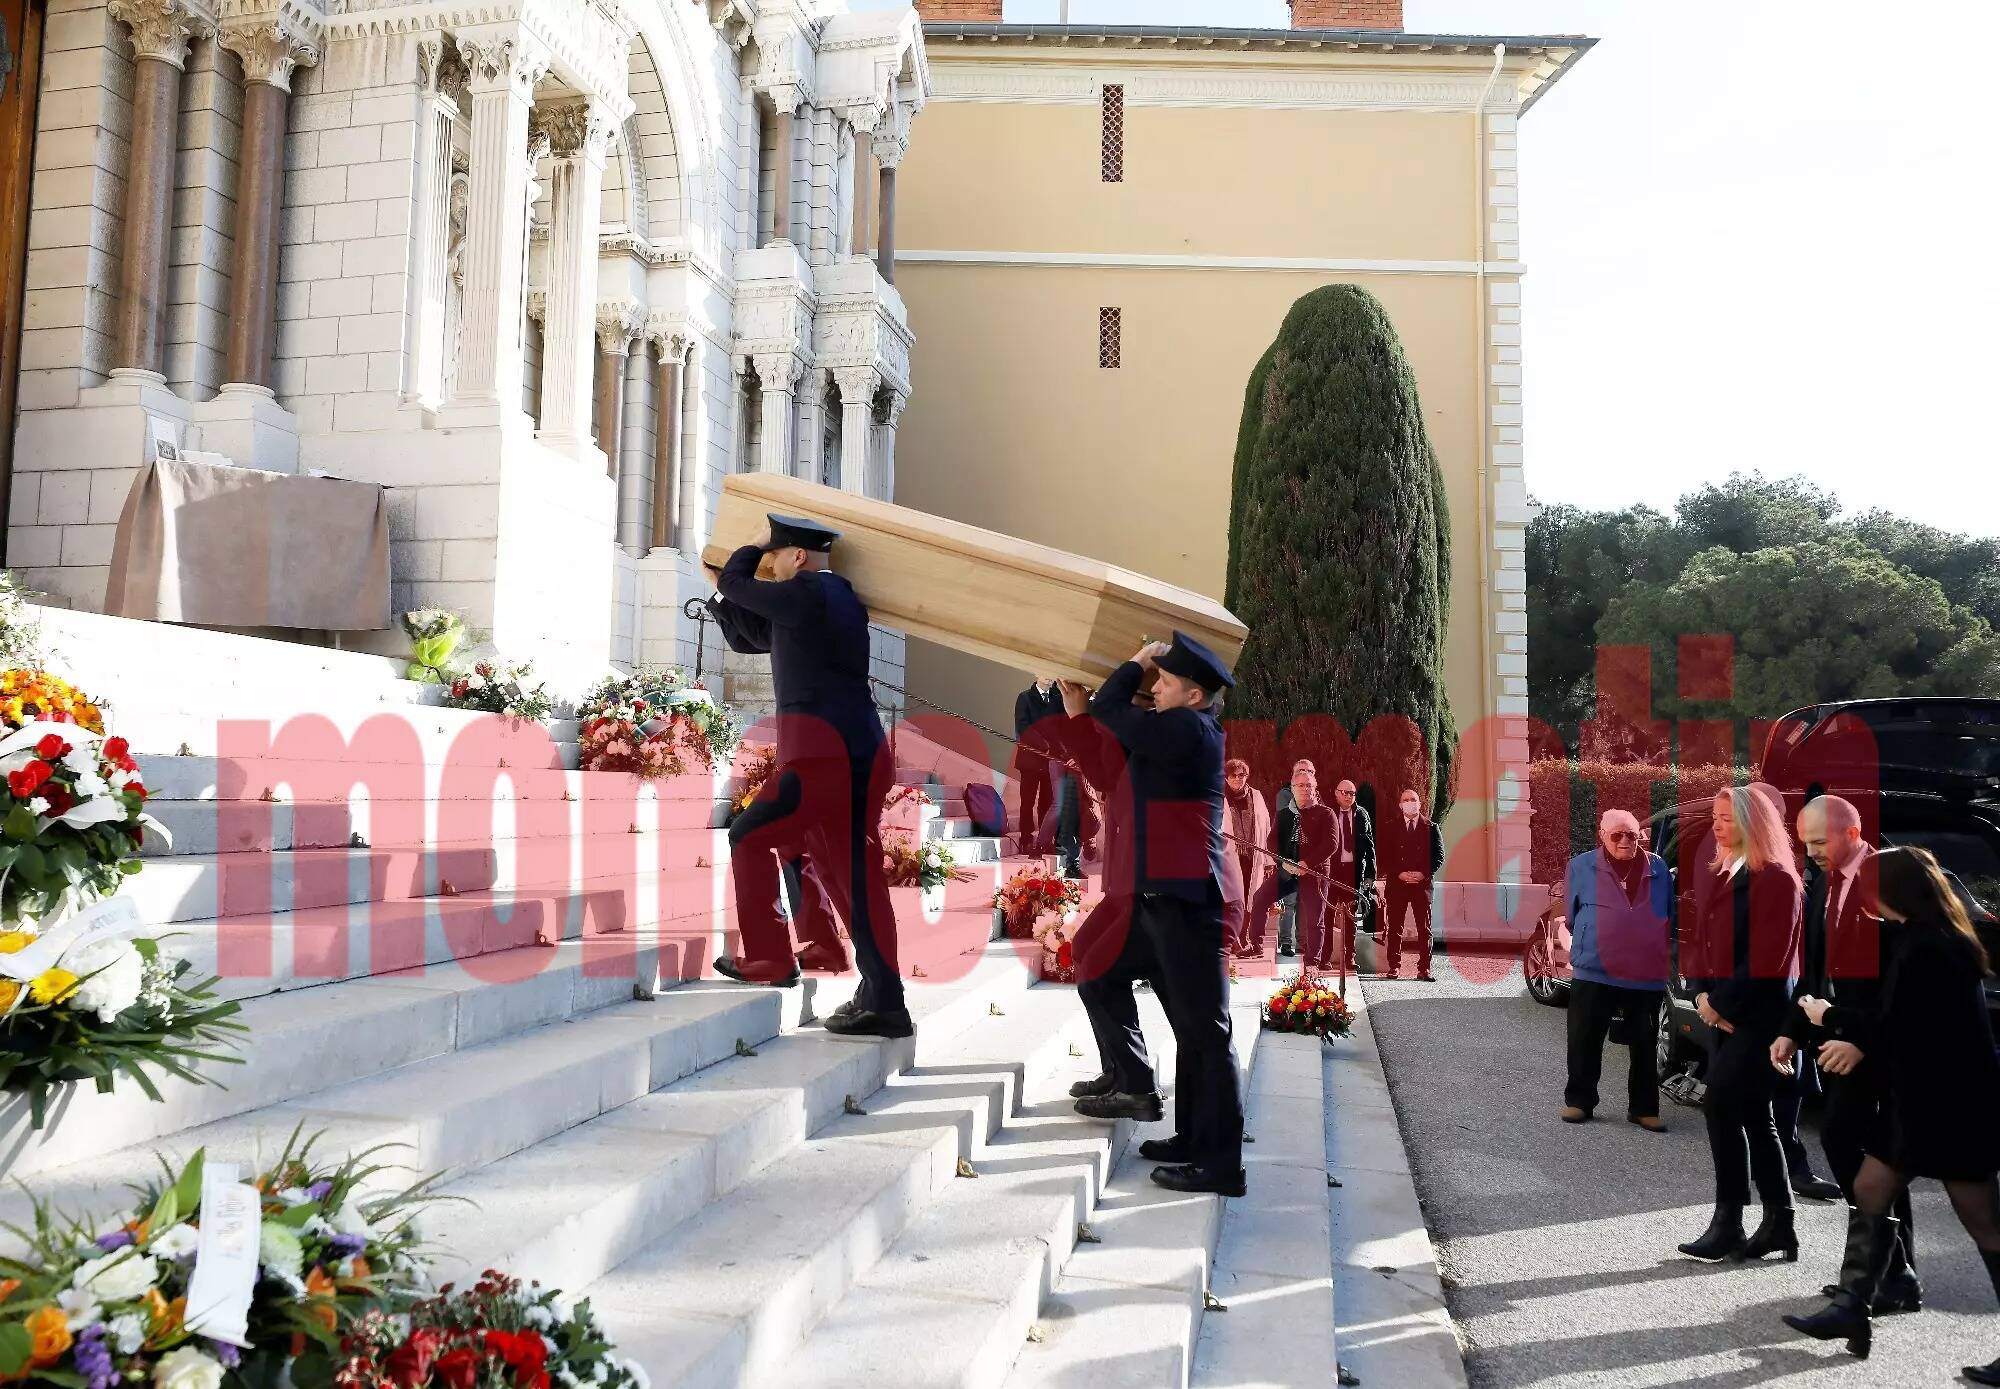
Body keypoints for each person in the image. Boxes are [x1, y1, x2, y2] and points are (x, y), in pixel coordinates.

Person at [1778, 847, 2000, 1376]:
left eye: (1870, 885)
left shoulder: (1931, 949)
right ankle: (1852, 1308)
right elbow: (1893, 1020)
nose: (1862, 893)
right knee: (1872, 1187)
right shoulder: (1921, 938)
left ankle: (1859, 1302)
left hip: (1952, 1107)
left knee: (1986, 1224)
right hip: (1920, 1102)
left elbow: (1901, 1028)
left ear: (1893, 891)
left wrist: (1828, 1014)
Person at [703, 513, 908, 1038]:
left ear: (797, 556)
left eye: (774, 559)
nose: (769, 570)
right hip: (853, 750)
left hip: (825, 757)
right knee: (821, 852)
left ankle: (773, 959)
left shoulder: (810, 591)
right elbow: (755, 637)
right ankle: (839, 957)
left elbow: (736, 581)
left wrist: (747, 550)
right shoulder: (832, 601)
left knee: (750, 835)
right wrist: (728, 594)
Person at [1086, 632, 1245, 1197]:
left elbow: (1109, 709)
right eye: (1155, 679)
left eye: (1167, 682)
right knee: (1103, 970)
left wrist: (1131, 663)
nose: (1155, 688)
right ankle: (1187, 1135)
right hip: (1163, 901)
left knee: (1206, 1033)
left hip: (1188, 905)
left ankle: (1221, 1164)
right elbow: (1114, 732)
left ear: (1196, 696)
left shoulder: (1187, 728)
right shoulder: (1180, 729)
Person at [1774, 796, 1919, 1310]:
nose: (1810, 852)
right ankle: (1887, 1272)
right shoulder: (1821, 886)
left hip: (1876, 1045)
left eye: (1819, 842)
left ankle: (1887, 1272)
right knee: (1863, 1151)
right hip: (1833, 1039)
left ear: (1853, 831)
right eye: (1805, 843)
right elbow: (1813, 973)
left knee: (1856, 1145)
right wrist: (1792, 1029)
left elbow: (1901, 983)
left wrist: (1860, 1041)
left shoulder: (1891, 884)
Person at [1676, 784, 1805, 1264]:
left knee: (1720, 1107)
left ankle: (1730, 1223)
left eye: (1727, 818)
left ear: (1755, 824)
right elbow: (1705, 944)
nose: (1716, 824)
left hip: (1757, 1019)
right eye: (1715, 815)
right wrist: (1703, 994)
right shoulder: (1724, 870)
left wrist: (1720, 1004)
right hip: (1724, 1012)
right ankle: (1779, 1224)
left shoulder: (1777, 879)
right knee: (1755, 1117)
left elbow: (1768, 959)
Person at [1557, 809, 1673, 1131]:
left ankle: (1644, 1108)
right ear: (1602, 835)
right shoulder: (1580, 866)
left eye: (1632, 835)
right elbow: (1572, 914)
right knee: (1584, 1039)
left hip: (1644, 973)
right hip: (1595, 969)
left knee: (1644, 1044)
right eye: (1616, 835)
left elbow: (1668, 914)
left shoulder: (1659, 868)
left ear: (1640, 837)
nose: (1625, 841)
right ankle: (1579, 1102)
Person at [1244, 761, 1333, 963]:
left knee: (1315, 918)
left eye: (1308, 785)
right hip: (1287, 869)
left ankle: (1313, 961)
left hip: (1314, 872)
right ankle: (1255, 944)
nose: (1304, 789)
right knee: (1260, 898)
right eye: (1299, 785)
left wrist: (1307, 863)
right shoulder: (1284, 814)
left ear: (1315, 787)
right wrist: (1283, 862)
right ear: (1292, 789)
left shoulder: (1326, 813)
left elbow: (1331, 844)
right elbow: (1272, 840)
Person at [1378, 787, 1445, 981]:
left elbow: (1439, 856)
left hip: (1421, 886)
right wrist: (1399, 873)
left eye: (1413, 799)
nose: (1410, 802)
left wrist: (1422, 873)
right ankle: (1394, 967)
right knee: (1395, 928)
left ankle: (1424, 968)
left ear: (1420, 803)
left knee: (1424, 929)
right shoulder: (1390, 827)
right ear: (1400, 805)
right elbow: (1384, 856)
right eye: (1406, 799)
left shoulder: (1431, 827)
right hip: (1397, 885)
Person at [1326, 778, 1375, 975]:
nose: (1348, 796)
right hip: (1331, 871)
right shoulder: (1328, 812)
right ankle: (1325, 956)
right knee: (1328, 914)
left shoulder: (1361, 814)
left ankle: (1349, 957)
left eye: (1352, 793)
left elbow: (1370, 845)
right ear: (1336, 793)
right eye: (1344, 792)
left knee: (1351, 916)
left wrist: (1370, 875)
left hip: (1353, 872)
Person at [1222, 760, 1272, 954]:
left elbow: (1265, 826)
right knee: (1233, 900)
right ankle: (1231, 939)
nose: (1237, 779)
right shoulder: (1220, 798)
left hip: (1253, 857)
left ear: (1246, 777)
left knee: (1251, 899)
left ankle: (1243, 938)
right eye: (1233, 775)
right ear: (1226, 778)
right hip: (1229, 857)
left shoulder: (1257, 796)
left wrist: (1268, 860)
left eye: (1241, 775)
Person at [1012, 678, 1061, 855]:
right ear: (1037, 674)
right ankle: (1026, 839)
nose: (1049, 677)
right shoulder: (1025, 697)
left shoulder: (1056, 698)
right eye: (1045, 673)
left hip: (1051, 761)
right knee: (1027, 802)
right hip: (1030, 759)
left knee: (1047, 803)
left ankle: (1044, 840)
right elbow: (1023, 727)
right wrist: (1045, 745)